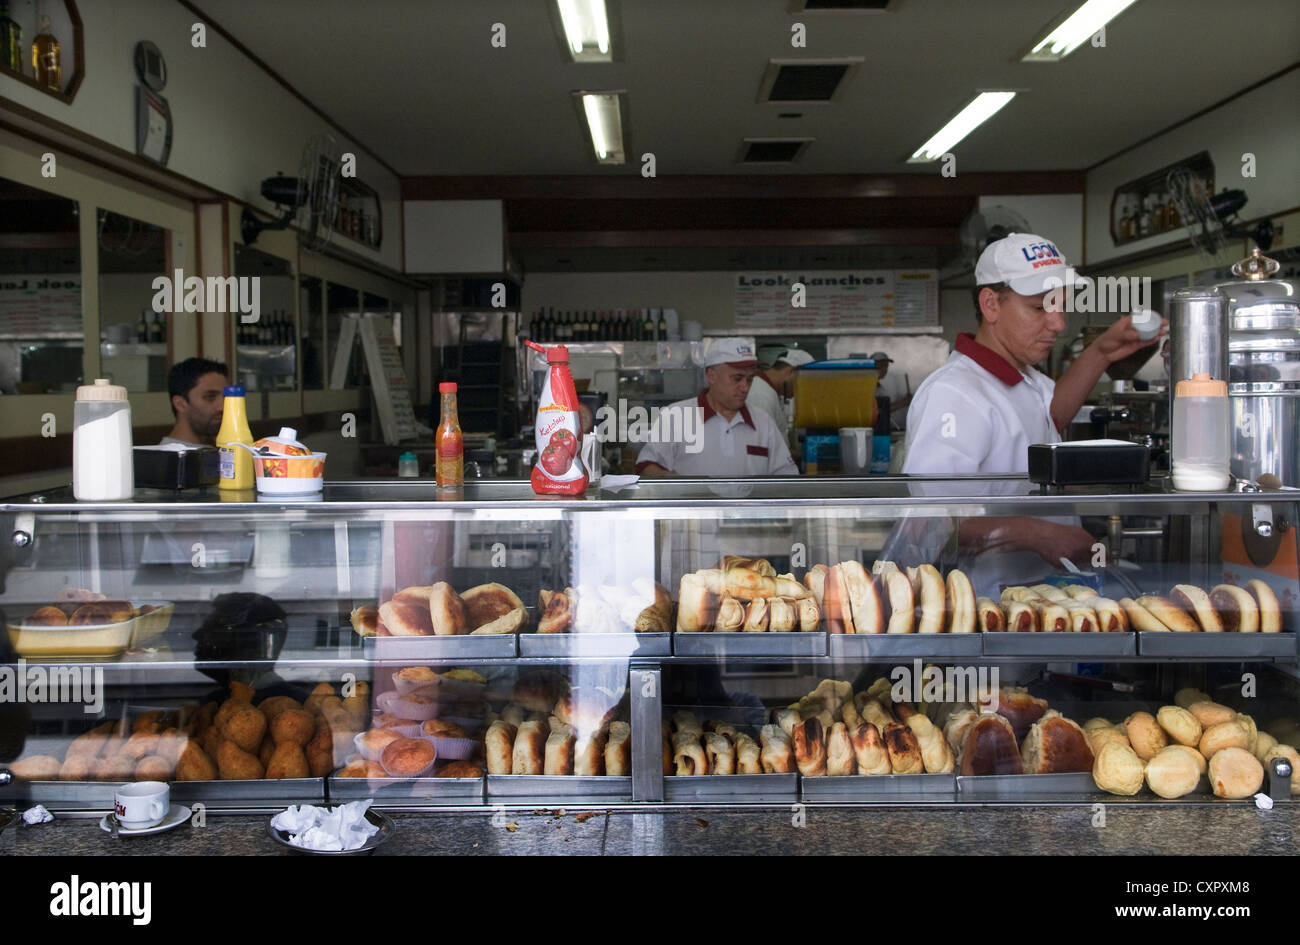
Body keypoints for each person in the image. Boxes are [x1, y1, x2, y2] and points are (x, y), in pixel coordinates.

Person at [896, 233, 1166, 591]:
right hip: (983, 608)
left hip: (1035, 596)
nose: (1058, 324)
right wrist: (1038, 533)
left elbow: (1047, 417)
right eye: (1040, 308)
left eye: (1060, 307)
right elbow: (931, 524)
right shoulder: (955, 394)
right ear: (991, 304)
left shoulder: (1023, 376)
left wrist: (1101, 352)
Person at [636, 336, 798, 477]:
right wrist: (682, 487)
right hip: (692, 512)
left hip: (749, 513)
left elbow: (786, 477)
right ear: (711, 376)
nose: (745, 387)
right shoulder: (677, 416)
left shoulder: (763, 422)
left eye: (749, 379)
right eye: (737, 378)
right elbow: (647, 466)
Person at [747, 347, 815, 438]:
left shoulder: (768, 391)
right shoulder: (760, 394)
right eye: (802, 383)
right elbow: (761, 441)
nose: (796, 393)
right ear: (791, 371)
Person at [162, 357, 228, 447]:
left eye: (226, 397)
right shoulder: (168, 457)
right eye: (210, 397)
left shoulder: (222, 450)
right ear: (180, 404)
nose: (222, 407)